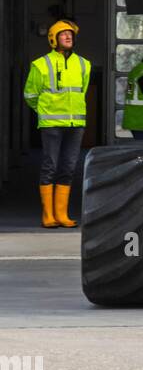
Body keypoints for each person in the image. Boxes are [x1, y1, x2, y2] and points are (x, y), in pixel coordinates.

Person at [24, 19, 91, 229]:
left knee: (69, 167)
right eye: (63, 34)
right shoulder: (40, 64)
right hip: (51, 123)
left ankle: (62, 214)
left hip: (76, 123)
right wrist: (45, 111)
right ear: (53, 39)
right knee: (50, 166)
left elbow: (83, 90)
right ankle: (48, 214)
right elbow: (30, 95)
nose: (68, 37)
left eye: (70, 34)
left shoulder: (83, 64)